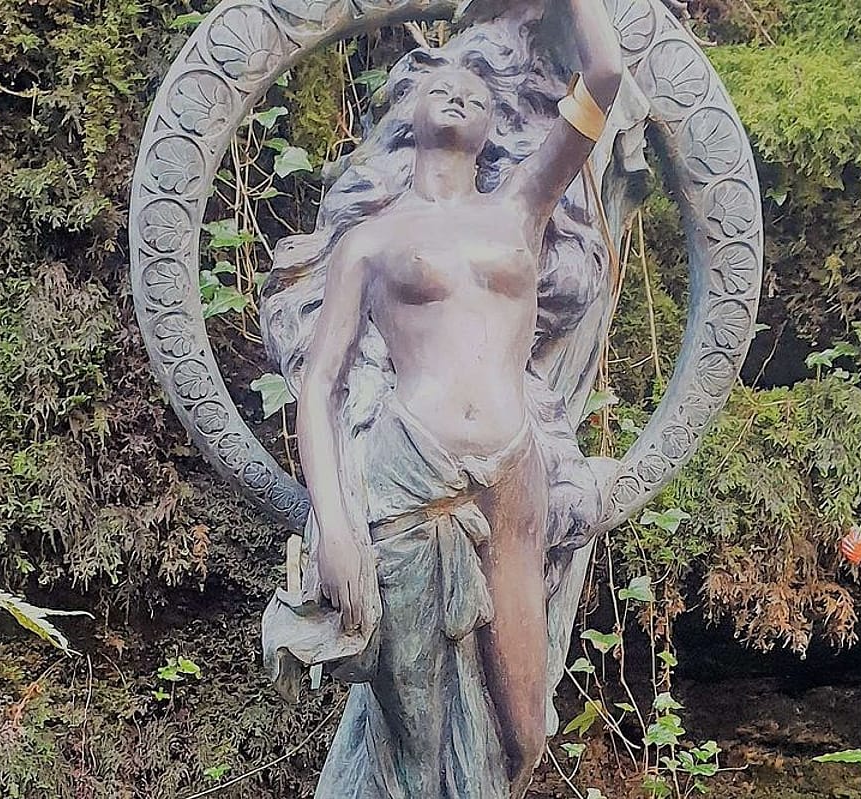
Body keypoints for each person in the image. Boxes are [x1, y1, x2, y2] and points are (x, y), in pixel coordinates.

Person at [260, 3, 626, 796]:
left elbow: (604, 74)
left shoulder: (522, 207)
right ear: (410, 114)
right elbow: (319, 384)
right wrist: (335, 525)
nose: (459, 94)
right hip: (409, 482)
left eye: (478, 93)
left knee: (523, 728)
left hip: (513, 474)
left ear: (496, 124)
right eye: (441, 87)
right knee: (413, 738)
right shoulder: (370, 240)